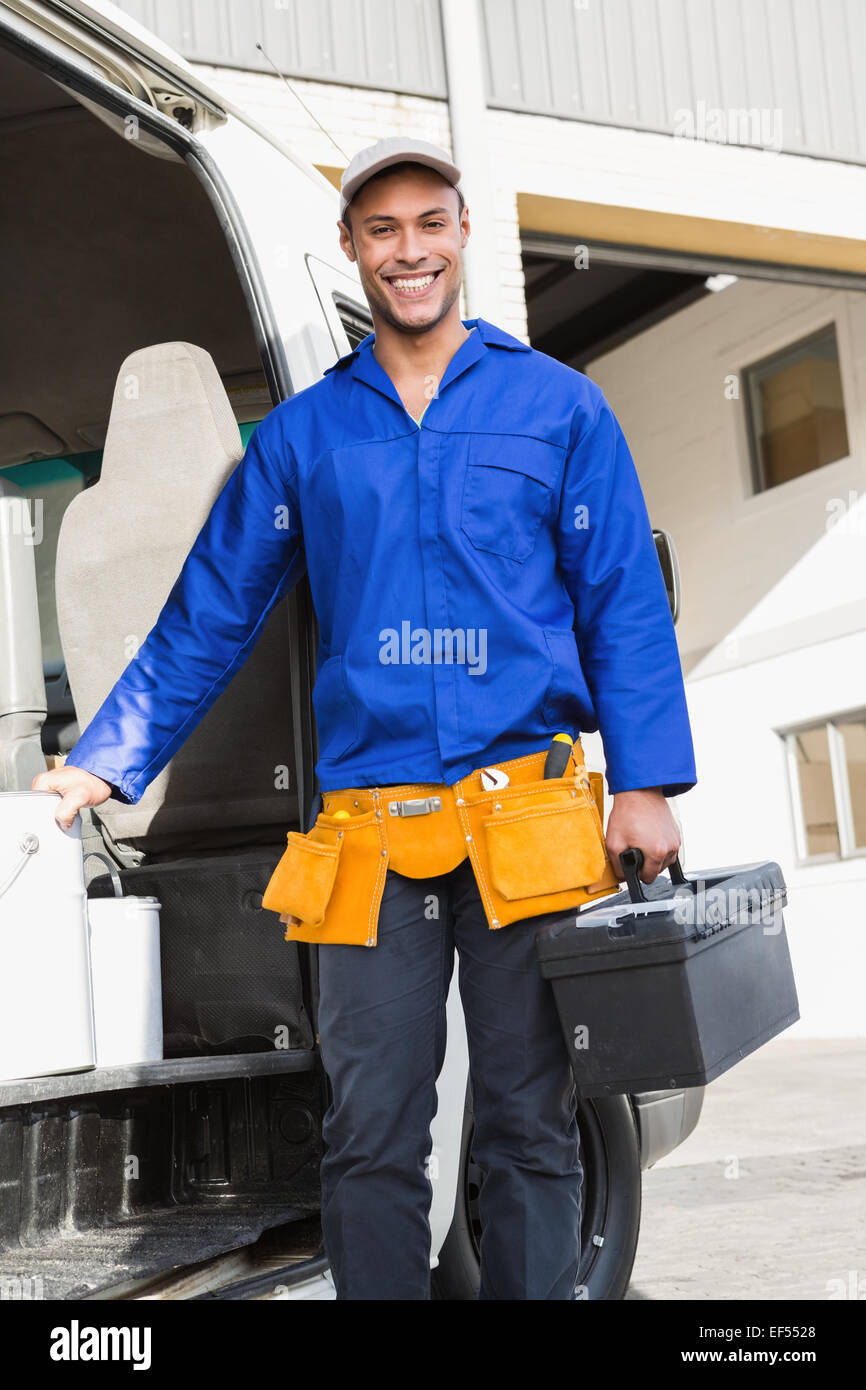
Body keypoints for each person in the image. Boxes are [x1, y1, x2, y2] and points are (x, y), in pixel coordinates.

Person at [32, 137, 696, 1300]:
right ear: (350, 248)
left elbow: (620, 605)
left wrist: (641, 782)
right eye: (380, 231)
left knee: (527, 1125)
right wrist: (103, 761)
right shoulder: (300, 438)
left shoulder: (557, 408)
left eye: (428, 223)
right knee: (368, 1136)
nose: (408, 251)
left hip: (527, 815)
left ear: (461, 235)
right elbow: (211, 612)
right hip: (369, 837)